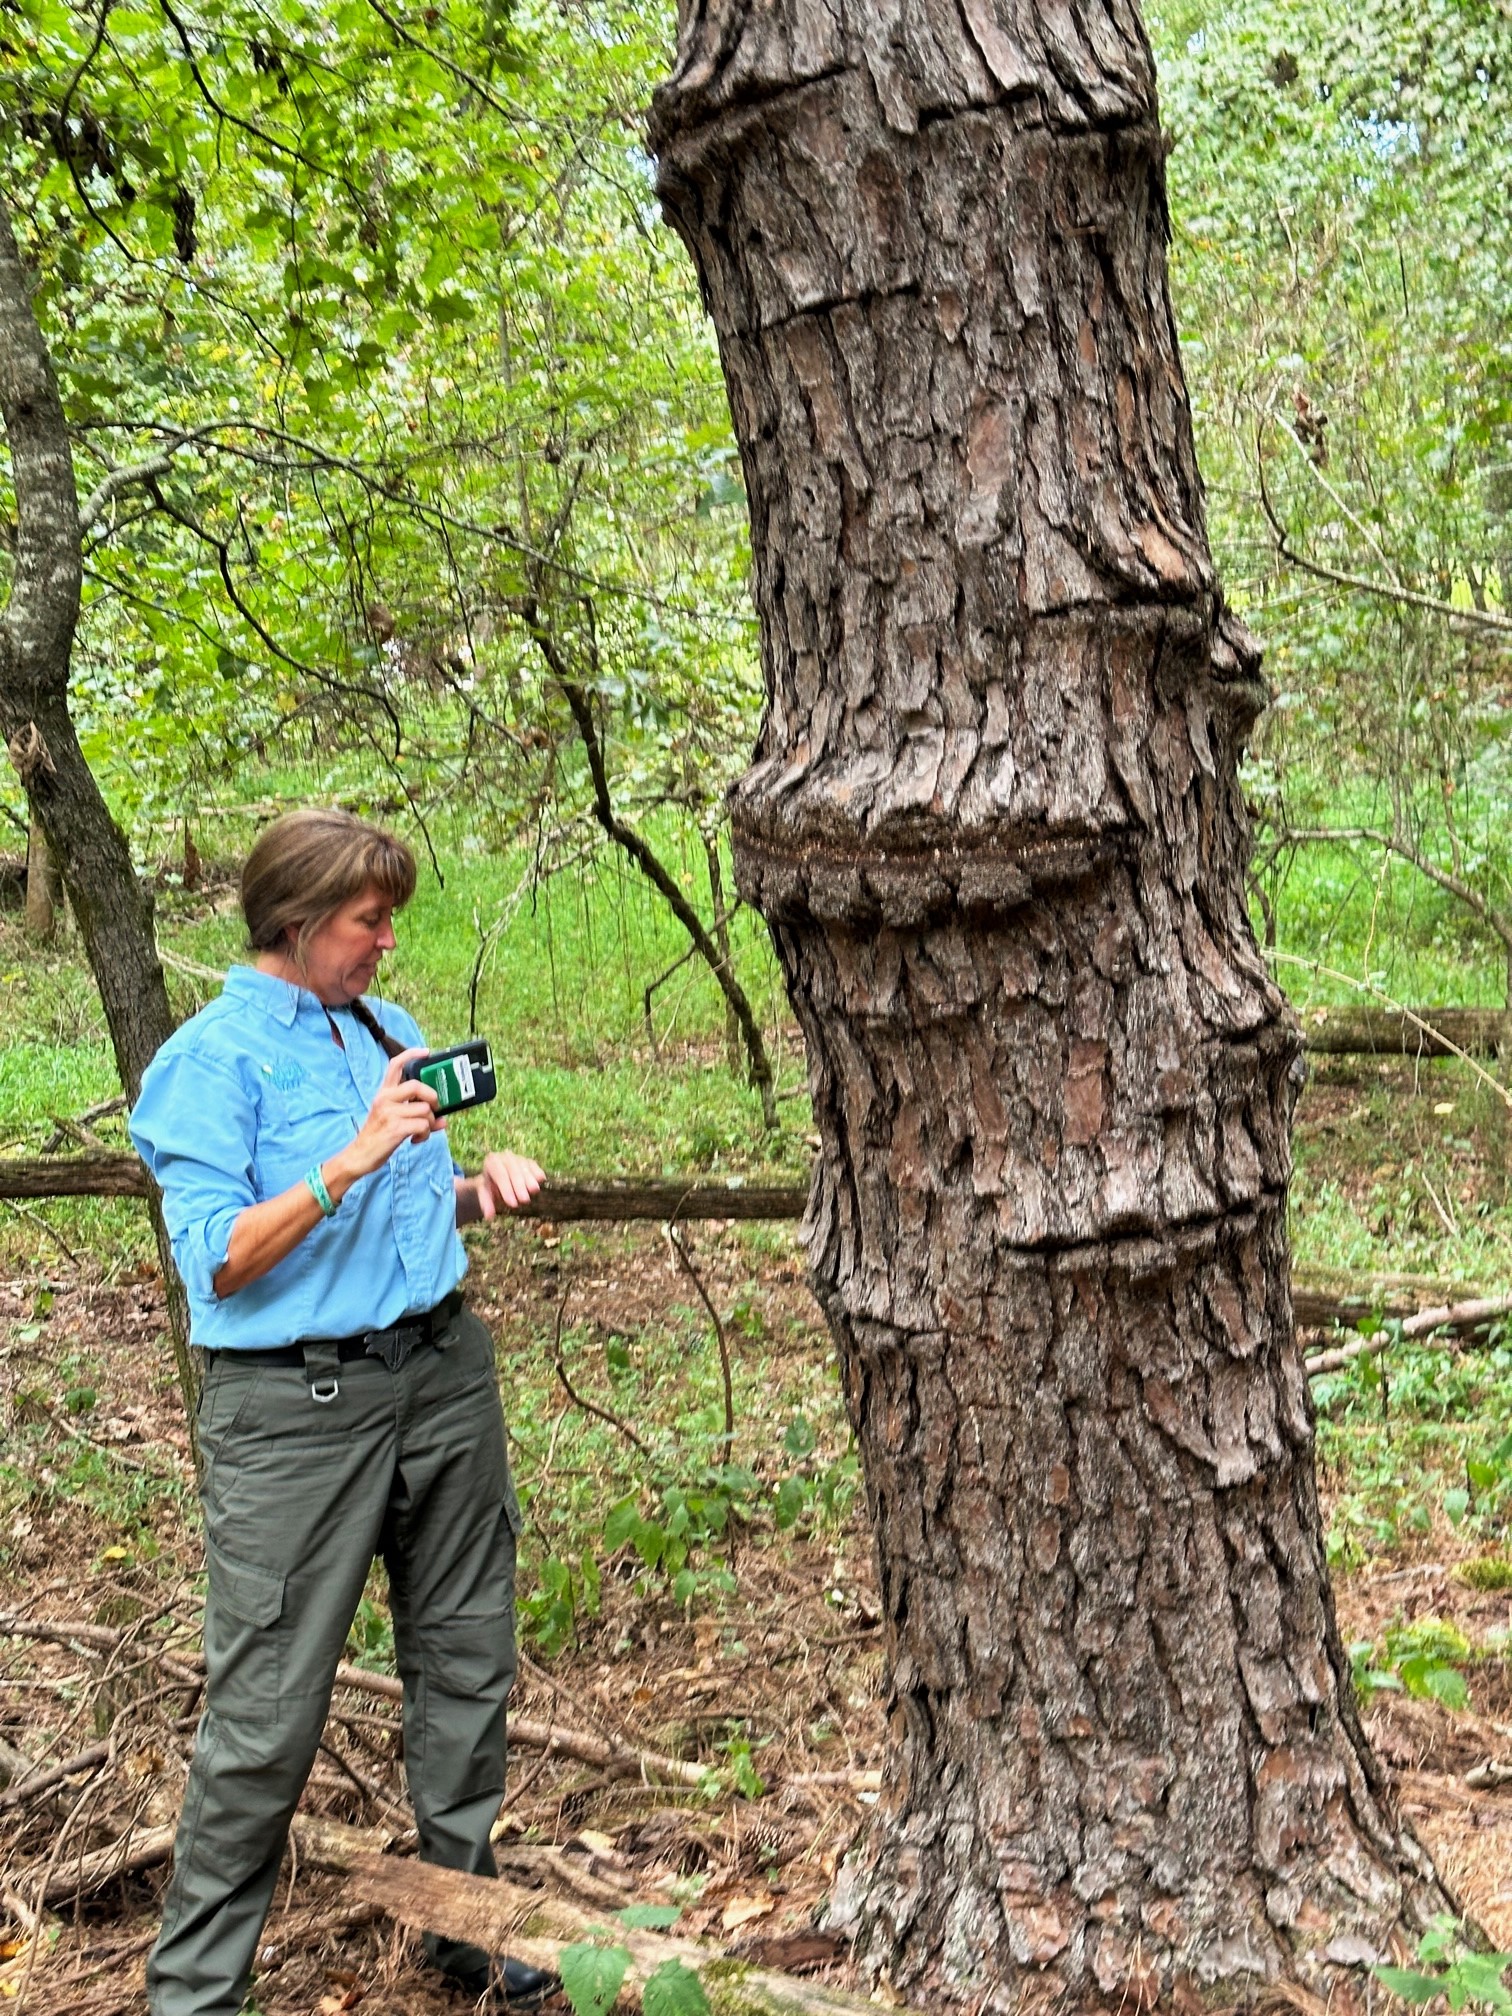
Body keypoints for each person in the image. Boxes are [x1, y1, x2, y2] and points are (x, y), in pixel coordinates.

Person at [128, 808, 553, 2015]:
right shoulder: (209, 1063)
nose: (384, 946)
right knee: (266, 1715)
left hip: (441, 1377)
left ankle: (461, 1923)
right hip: (297, 1414)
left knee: (467, 1660)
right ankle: (196, 1994)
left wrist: (477, 1190)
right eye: (370, 923)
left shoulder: (387, 1031)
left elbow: (400, 1214)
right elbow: (216, 1260)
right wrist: (350, 1157)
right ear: (300, 922)